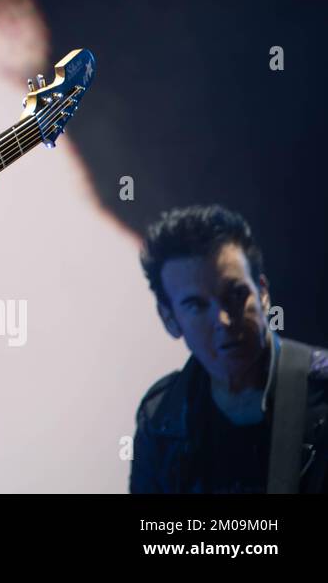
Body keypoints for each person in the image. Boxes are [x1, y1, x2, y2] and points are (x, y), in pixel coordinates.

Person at [130, 205, 328, 493]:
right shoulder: (160, 418)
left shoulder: (321, 391)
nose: (223, 321)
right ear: (170, 319)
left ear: (262, 293)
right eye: (196, 305)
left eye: (236, 294)